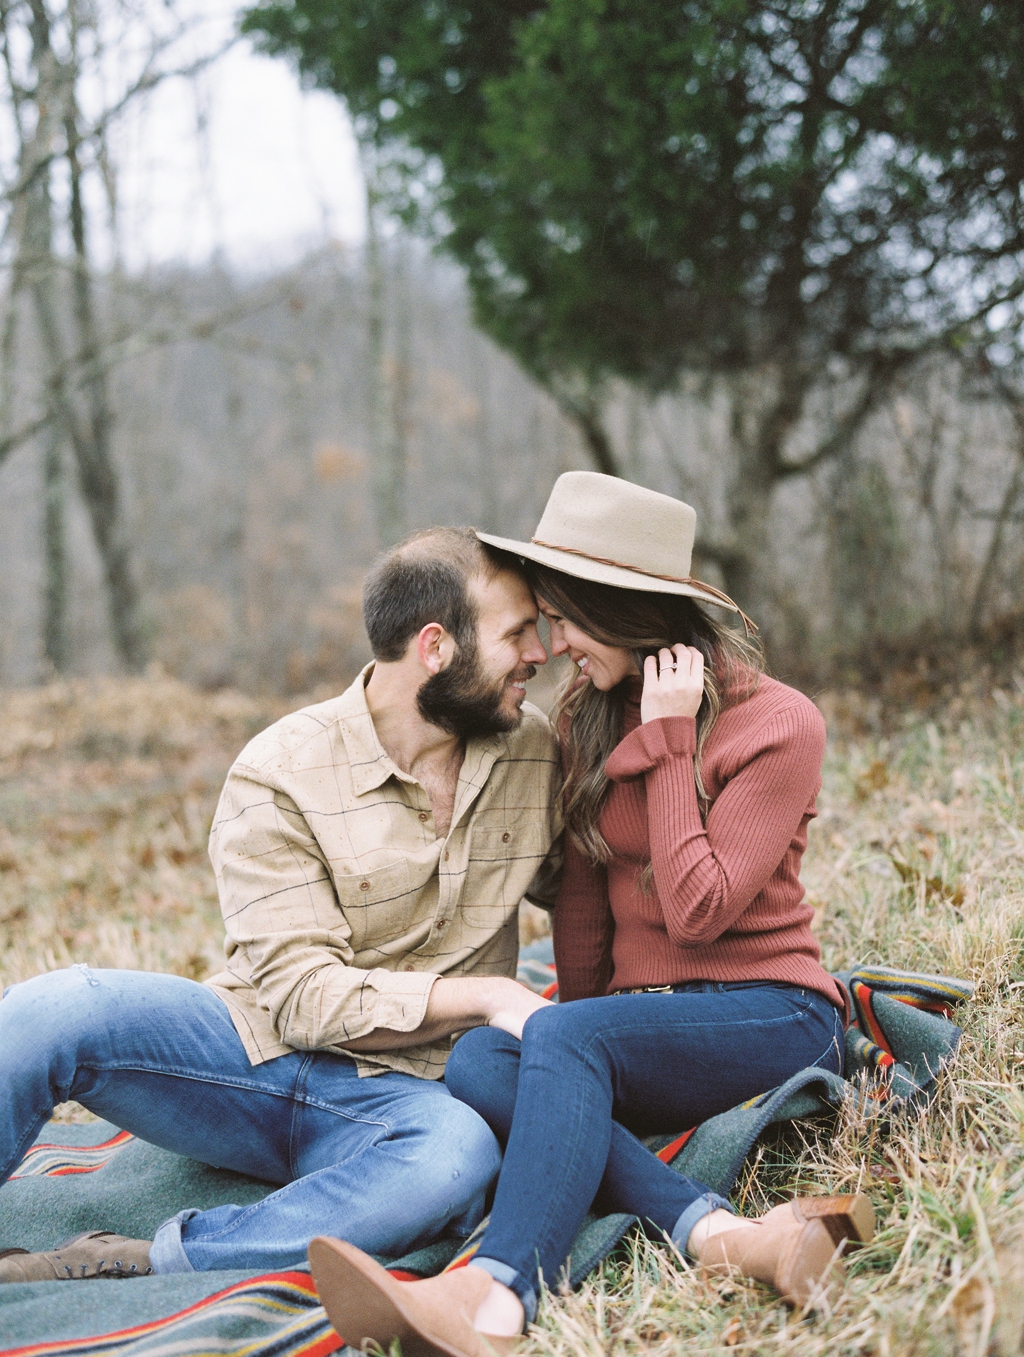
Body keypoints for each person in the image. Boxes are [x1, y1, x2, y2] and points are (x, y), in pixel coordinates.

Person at [306, 473, 873, 1357]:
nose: (555, 646)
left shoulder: (779, 723)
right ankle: (726, 1238)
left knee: (565, 1041)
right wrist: (577, 1022)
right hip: (646, 1026)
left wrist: (674, 740)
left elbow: (698, 910)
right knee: (490, 1054)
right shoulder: (587, 717)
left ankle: (495, 1298)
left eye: (565, 619)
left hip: (769, 1010)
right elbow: (583, 897)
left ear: (624, 610)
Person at [0, 528, 560, 1284]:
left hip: (408, 1097)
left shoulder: (533, 753)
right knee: (53, 1007)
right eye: (519, 632)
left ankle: (144, 1258)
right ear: (436, 647)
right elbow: (300, 1001)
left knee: (456, 1156)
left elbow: (601, 884)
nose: (542, 651)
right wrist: (489, 995)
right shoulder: (281, 771)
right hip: (251, 1058)